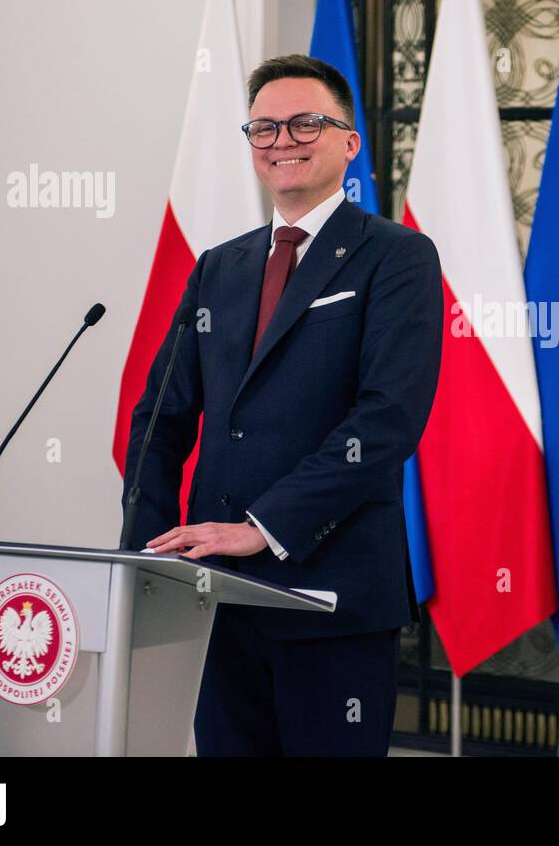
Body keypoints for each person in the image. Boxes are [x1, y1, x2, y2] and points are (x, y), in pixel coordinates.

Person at [121, 54, 443, 756]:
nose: (282, 140)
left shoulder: (398, 258)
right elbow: (160, 418)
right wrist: (142, 561)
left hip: (332, 600)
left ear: (349, 142)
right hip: (217, 598)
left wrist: (261, 527)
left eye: (305, 122)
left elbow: (386, 420)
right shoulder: (219, 266)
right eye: (263, 127)